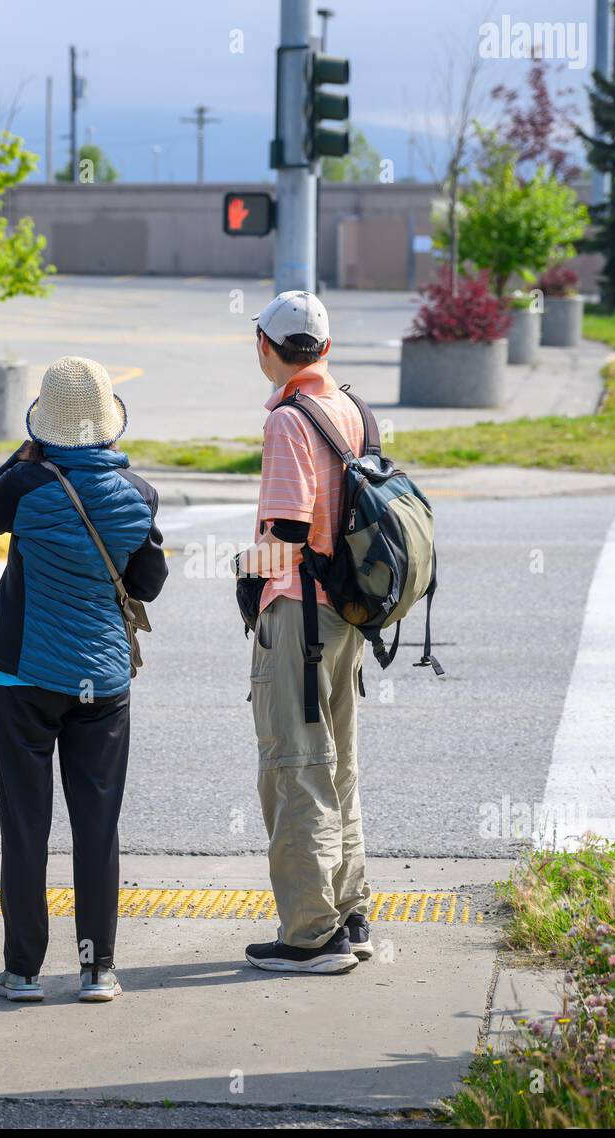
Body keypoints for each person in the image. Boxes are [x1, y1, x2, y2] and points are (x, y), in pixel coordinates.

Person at [0, 356, 167, 1003]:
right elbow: (148, 584)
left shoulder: (25, 488)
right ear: (109, 426)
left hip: (21, 678)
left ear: (44, 428)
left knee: (25, 826)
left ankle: (23, 971)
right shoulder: (137, 495)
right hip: (101, 684)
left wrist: (25, 456)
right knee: (97, 825)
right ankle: (97, 969)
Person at [235, 290, 371, 975]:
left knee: (294, 765)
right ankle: (351, 911)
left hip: (301, 613)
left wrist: (242, 571)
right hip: (349, 611)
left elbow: (287, 534)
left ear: (268, 347)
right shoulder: (351, 407)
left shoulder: (289, 421)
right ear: (323, 346)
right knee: (337, 760)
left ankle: (311, 935)